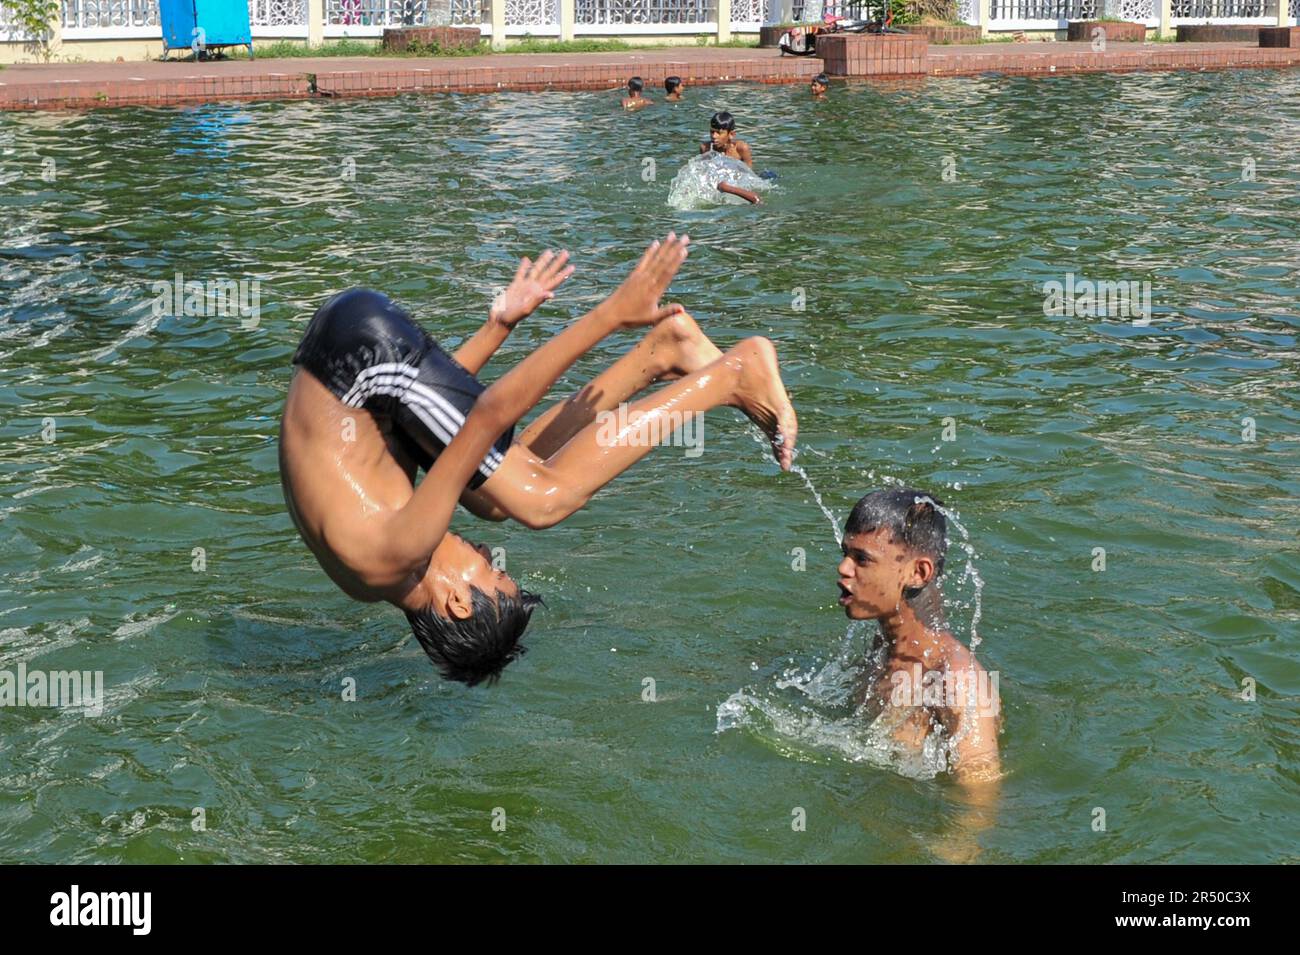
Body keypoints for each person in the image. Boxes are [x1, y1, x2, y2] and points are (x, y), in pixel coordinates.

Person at [280, 234, 798, 686]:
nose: (486, 552)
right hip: (352, 353)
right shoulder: (372, 577)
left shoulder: (394, 557)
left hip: (359, 354)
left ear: (459, 603)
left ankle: (732, 375)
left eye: (491, 571)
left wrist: (611, 314)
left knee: (541, 502)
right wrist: (498, 326)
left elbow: (485, 414)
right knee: (494, 499)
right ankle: (662, 353)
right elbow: (420, 415)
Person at [836, 489, 1001, 786]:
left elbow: (977, 813)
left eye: (861, 559)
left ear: (918, 573)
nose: (843, 569)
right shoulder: (883, 647)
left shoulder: (957, 683)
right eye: (845, 554)